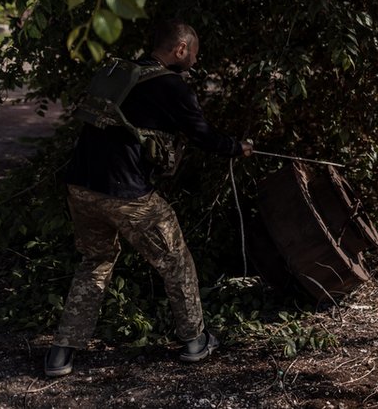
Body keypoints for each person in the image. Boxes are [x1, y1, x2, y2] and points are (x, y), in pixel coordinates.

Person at [44, 19, 253, 377]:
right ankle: (195, 341)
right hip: (127, 195)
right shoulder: (172, 86)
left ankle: (60, 354)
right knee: (176, 261)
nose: (195, 61)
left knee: (95, 262)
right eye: (194, 54)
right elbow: (203, 136)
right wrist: (238, 147)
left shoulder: (121, 73)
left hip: (81, 187)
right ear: (180, 49)